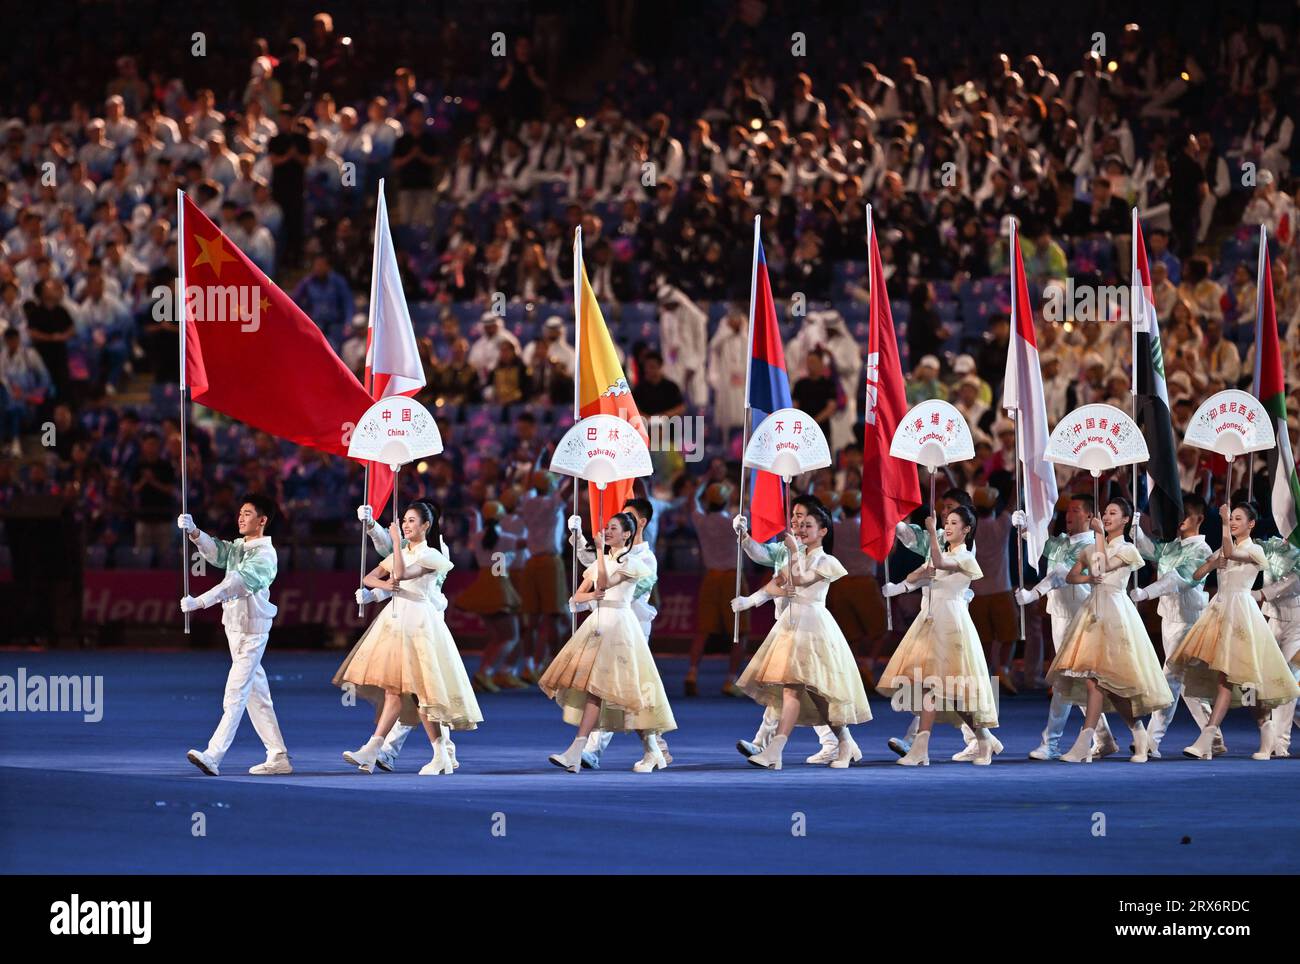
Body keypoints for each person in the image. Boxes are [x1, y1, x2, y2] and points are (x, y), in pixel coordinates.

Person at [337, 502, 482, 775]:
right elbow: (373, 577)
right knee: (394, 691)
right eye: (404, 520)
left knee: (423, 695)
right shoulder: (402, 552)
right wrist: (378, 589)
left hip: (421, 624)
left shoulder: (434, 556)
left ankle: (441, 753)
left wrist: (392, 542)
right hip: (396, 623)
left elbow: (402, 574)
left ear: (426, 525)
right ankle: (372, 750)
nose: (405, 525)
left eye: (412, 520)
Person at [733, 505, 872, 769]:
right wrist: (749, 601)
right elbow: (777, 584)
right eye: (801, 524)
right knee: (792, 688)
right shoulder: (792, 557)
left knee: (819, 694)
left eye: (809, 525)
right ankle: (779, 750)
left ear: (823, 531)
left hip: (814, 627)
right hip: (790, 626)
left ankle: (840, 743)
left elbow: (799, 580)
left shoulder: (827, 562)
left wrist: (794, 552)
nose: (803, 529)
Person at [541, 513, 677, 773]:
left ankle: (651, 751)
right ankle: (578, 750)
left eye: (614, 528)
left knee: (628, 693)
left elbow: (605, 582)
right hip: (599, 625)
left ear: (627, 534)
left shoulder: (634, 563)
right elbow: (579, 595)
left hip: (621, 627)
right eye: (607, 527)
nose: (608, 531)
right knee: (596, 689)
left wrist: (601, 554)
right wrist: (592, 592)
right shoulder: (600, 562)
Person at [1169, 502, 1300, 760]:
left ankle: (1209, 738)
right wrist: (1210, 565)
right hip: (1220, 613)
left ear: (1251, 524)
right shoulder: (1225, 548)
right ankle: (1265, 733)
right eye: (1232, 519)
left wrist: (1223, 524)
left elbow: (1230, 552)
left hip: (1242, 616)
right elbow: (1198, 573)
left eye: (1238, 519)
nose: (1234, 522)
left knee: (1236, 681)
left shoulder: (1256, 550)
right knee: (1238, 683)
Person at [1046, 497, 1173, 763]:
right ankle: (1128, 737)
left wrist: (1099, 537)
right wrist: (1088, 578)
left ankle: (1110, 739)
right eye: (1105, 512)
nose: (1106, 516)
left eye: (1113, 513)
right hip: (1093, 611)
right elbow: (1072, 576)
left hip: (1115, 612)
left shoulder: (1127, 549)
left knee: (1113, 686)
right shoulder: (1093, 546)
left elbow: (1103, 565)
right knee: (1095, 679)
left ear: (1126, 520)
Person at [877, 506, 999, 765]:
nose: (949, 526)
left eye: (954, 523)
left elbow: (942, 563)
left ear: (966, 530)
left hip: (951, 621)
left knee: (944, 689)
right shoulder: (938, 552)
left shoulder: (966, 557)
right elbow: (917, 577)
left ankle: (923, 748)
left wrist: (932, 531)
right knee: (939, 689)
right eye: (947, 522)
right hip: (930, 620)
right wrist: (898, 588)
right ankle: (983, 740)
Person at [179, 495, 290, 776]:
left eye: (248, 514)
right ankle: (278, 756)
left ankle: (214, 754)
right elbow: (217, 552)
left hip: (253, 630)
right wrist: (195, 532)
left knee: (236, 693)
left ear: (262, 521)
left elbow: (236, 583)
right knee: (257, 695)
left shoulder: (266, 555)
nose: (241, 518)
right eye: (240, 513)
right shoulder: (239, 546)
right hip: (234, 627)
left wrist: (200, 602)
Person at [1016, 493, 1117, 760]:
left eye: (1075, 510)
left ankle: (1051, 742)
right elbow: (1039, 543)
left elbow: (1061, 575)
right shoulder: (1060, 543)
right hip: (1060, 618)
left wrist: (1032, 594)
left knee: (1064, 680)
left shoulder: (1094, 547)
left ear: (1089, 516)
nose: (1068, 515)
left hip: (1083, 619)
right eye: (1067, 511)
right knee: (1079, 682)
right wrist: (1024, 526)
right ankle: (1105, 738)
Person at [1128, 497, 1216, 758]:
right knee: (1187, 685)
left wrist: (1146, 592)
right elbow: (1147, 551)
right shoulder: (1173, 546)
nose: (1181, 520)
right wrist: (1135, 529)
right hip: (1169, 618)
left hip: (1190, 620)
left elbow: (1178, 579)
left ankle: (1152, 741)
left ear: (1199, 519)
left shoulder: (1202, 550)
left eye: (1186, 515)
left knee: (1170, 677)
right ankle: (1214, 737)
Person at [453, 501, 524, 691]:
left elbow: (474, 538)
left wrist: (475, 519)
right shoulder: (509, 538)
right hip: (499, 586)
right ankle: (485, 672)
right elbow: (531, 542)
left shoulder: (478, 537)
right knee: (511, 636)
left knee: (496, 637)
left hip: (483, 585)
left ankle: (483, 673)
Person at [1252, 536, 1300, 758]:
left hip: (1297, 623)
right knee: (1266, 680)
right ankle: (1273, 738)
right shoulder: (1273, 544)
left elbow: (1292, 579)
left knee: (1286, 680)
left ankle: (1280, 744)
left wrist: (1262, 594)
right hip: (1272, 618)